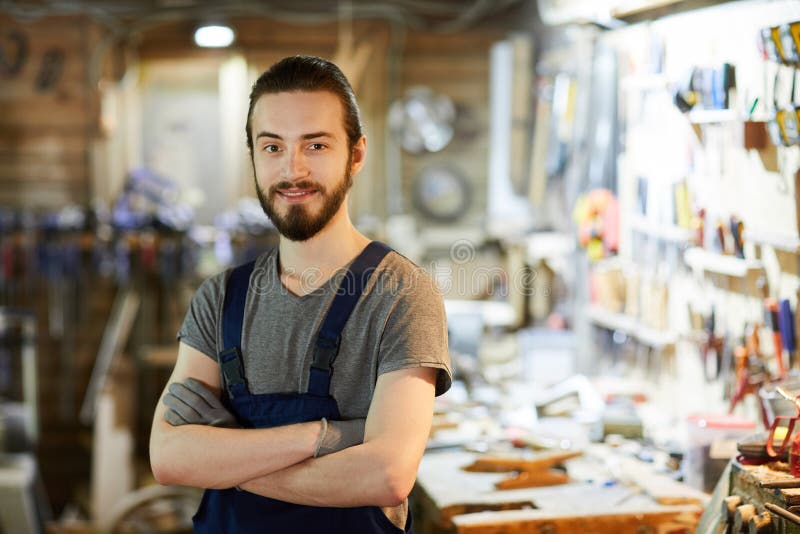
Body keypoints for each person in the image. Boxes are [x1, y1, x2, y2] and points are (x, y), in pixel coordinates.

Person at [149, 55, 452, 533]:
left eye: (315, 144)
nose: (293, 170)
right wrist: (326, 436)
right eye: (272, 147)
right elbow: (169, 458)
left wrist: (229, 457)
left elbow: (387, 475)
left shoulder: (400, 294)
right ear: (252, 156)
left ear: (356, 154)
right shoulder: (219, 299)